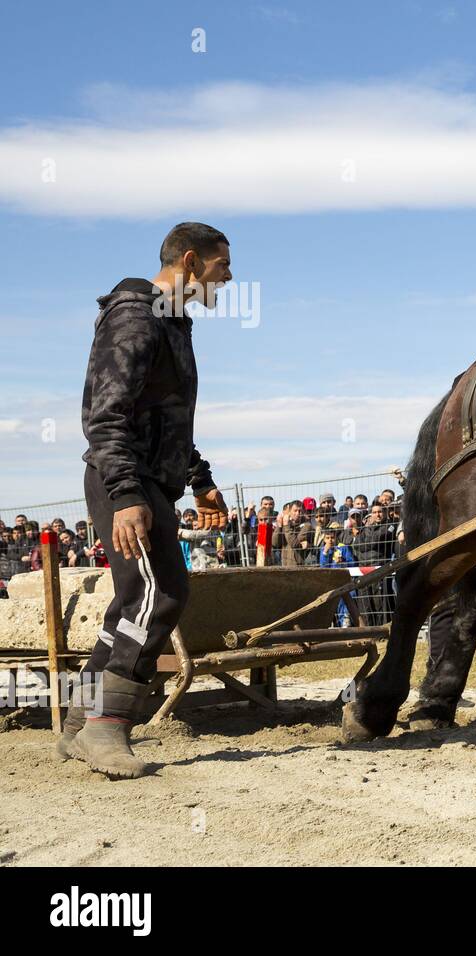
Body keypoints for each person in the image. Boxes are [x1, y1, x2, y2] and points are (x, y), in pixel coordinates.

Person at [67, 221, 231, 778]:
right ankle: (107, 726)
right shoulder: (136, 316)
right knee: (163, 591)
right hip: (125, 481)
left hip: (145, 480)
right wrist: (127, 493)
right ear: (190, 261)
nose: (228, 278)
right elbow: (106, 414)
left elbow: (164, 416)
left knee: (130, 600)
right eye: (221, 267)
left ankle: (76, 723)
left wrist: (200, 478)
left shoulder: (172, 322)